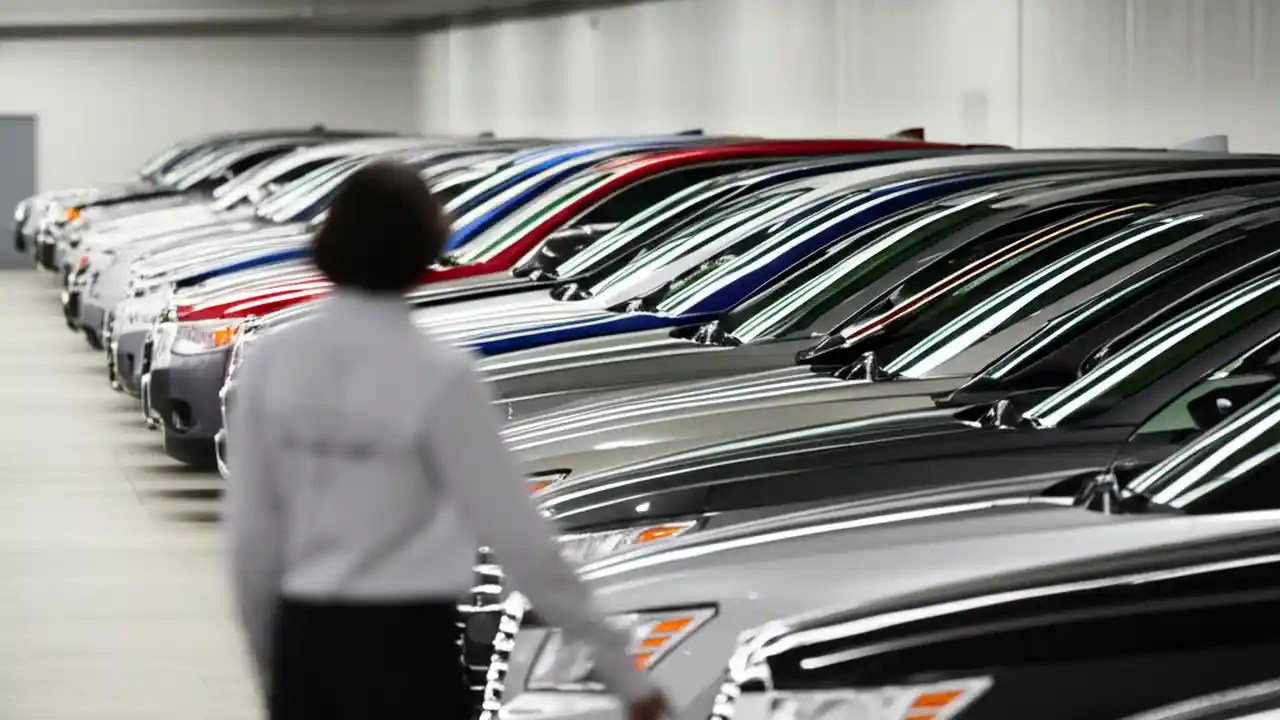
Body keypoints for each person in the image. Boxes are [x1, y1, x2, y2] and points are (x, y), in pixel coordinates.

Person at [225, 162, 668, 720]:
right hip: (407, 647)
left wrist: (274, 665)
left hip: (306, 637)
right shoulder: (438, 374)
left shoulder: (274, 363)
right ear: (424, 248)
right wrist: (624, 675)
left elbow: (250, 538)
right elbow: (519, 537)